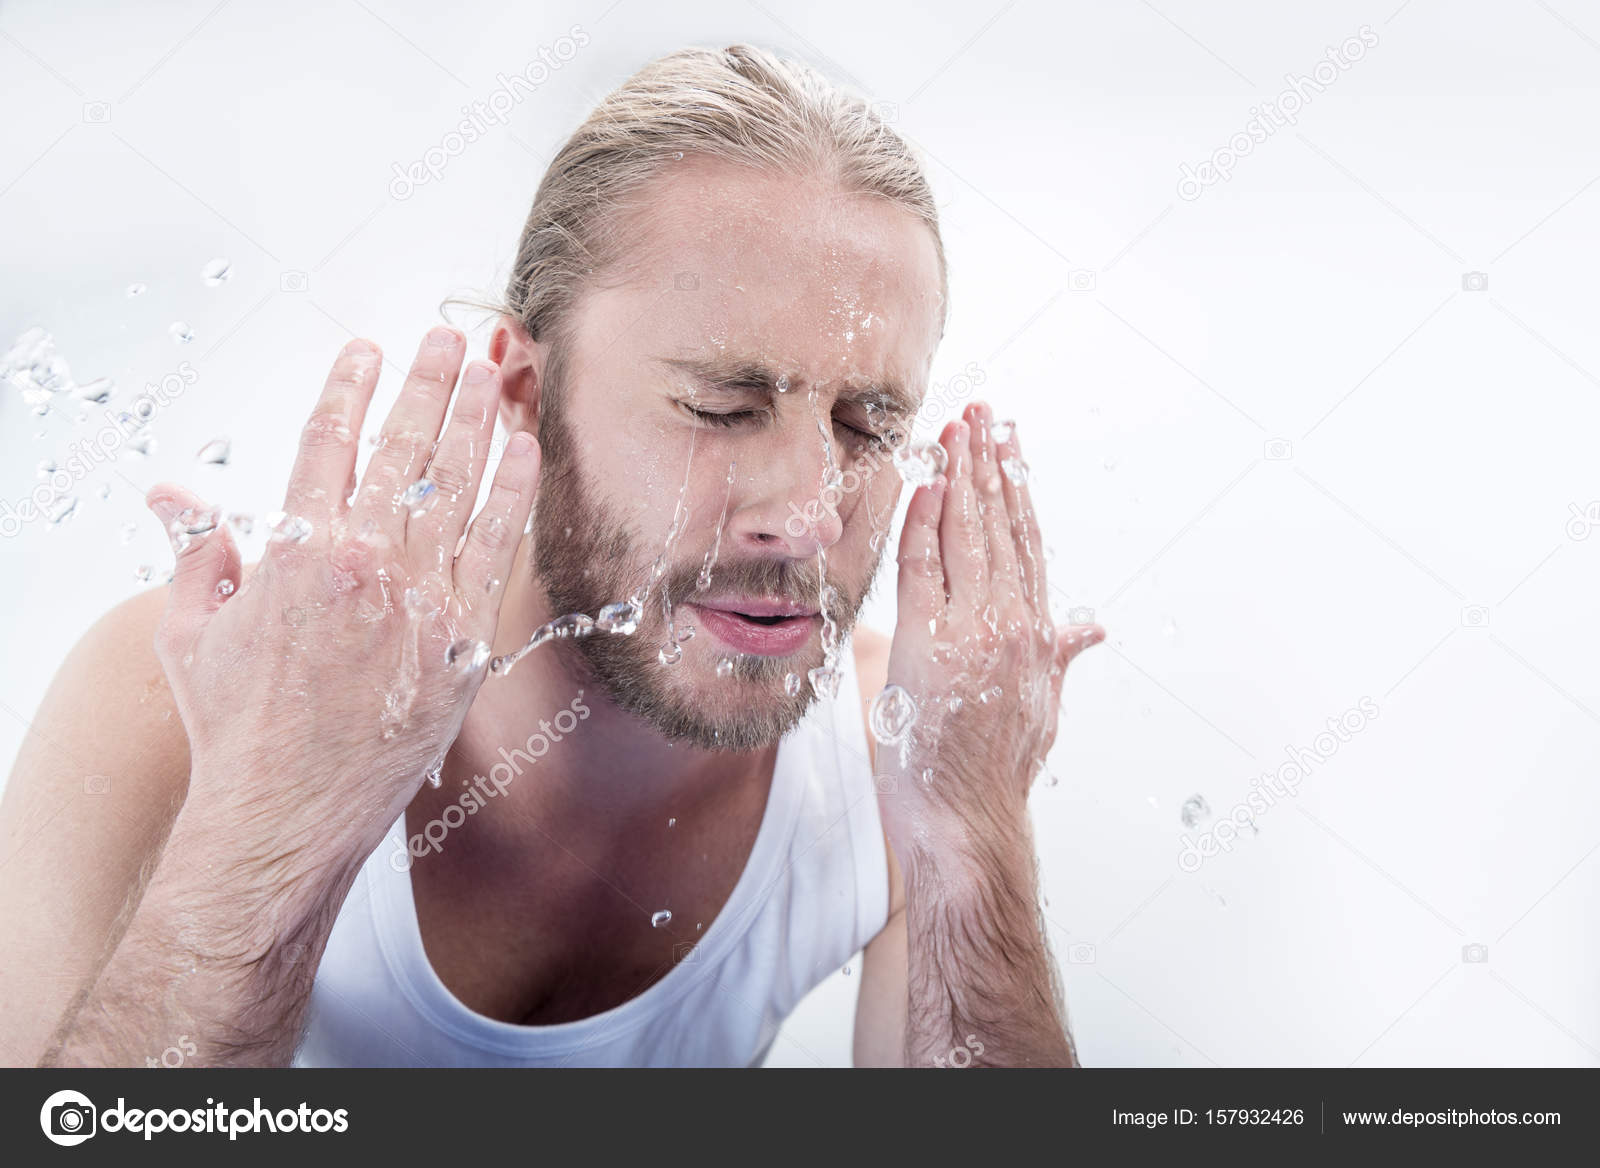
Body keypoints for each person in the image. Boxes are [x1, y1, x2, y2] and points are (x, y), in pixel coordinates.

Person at [0, 43, 1101, 1068]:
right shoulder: (210, 689)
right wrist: (276, 822)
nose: (806, 513)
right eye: (722, 407)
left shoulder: (906, 754)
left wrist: (973, 838)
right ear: (526, 391)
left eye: (865, 427)